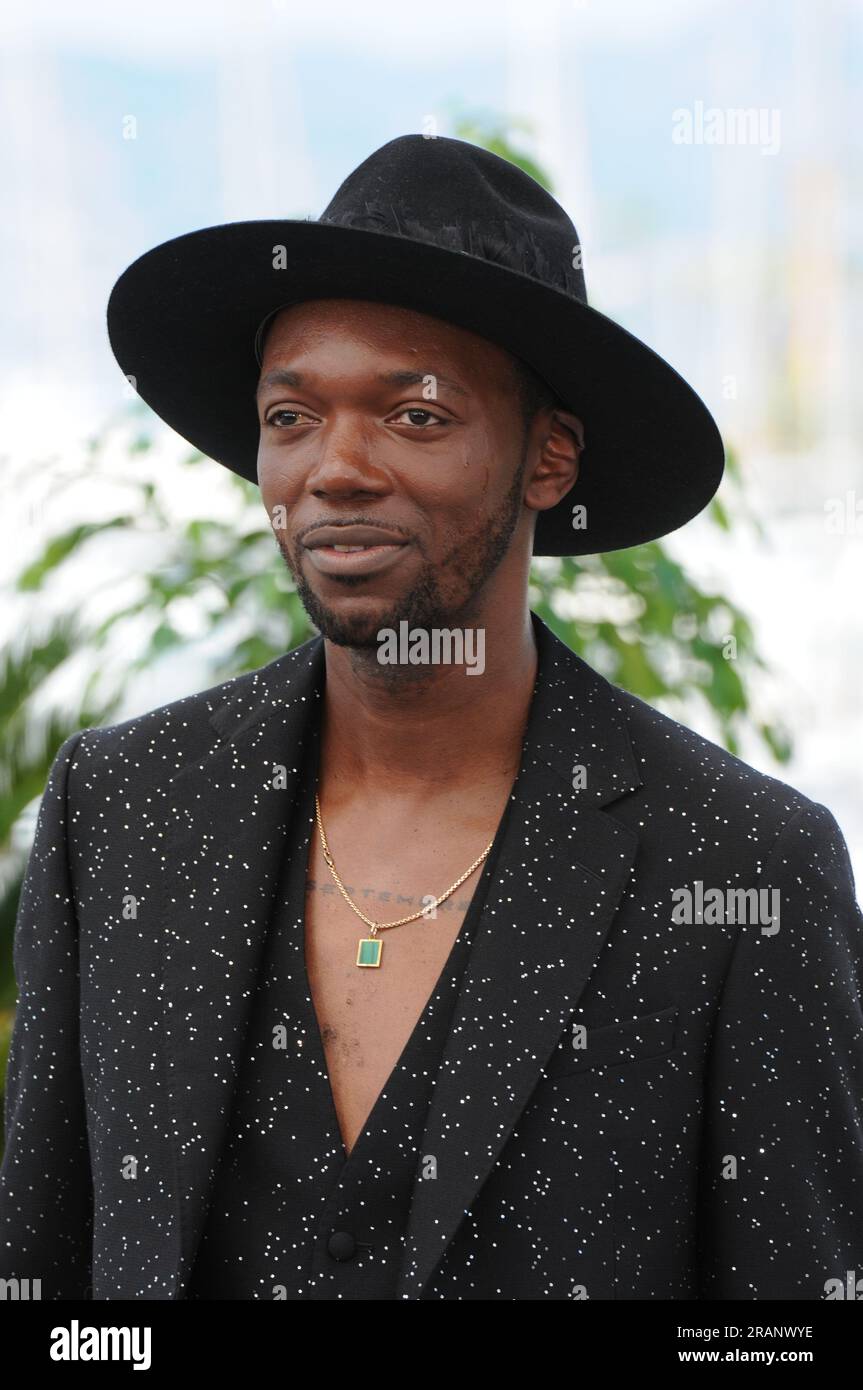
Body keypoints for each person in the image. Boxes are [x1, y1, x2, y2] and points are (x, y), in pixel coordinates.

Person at [1, 134, 861, 1301]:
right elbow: (43, 1273)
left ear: (545, 458)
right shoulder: (121, 809)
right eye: (292, 415)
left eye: (413, 416)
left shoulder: (740, 862)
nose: (334, 469)